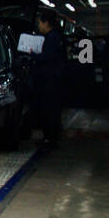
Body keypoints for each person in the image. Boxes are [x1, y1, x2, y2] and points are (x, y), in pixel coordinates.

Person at [34, 12, 66, 146]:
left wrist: (34, 55)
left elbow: (47, 58)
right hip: (54, 79)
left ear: (46, 23)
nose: (39, 26)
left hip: (50, 80)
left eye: (40, 23)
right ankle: (52, 136)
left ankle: (50, 137)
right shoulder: (56, 37)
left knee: (49, 109)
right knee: (52, 109)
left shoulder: (51, 38)